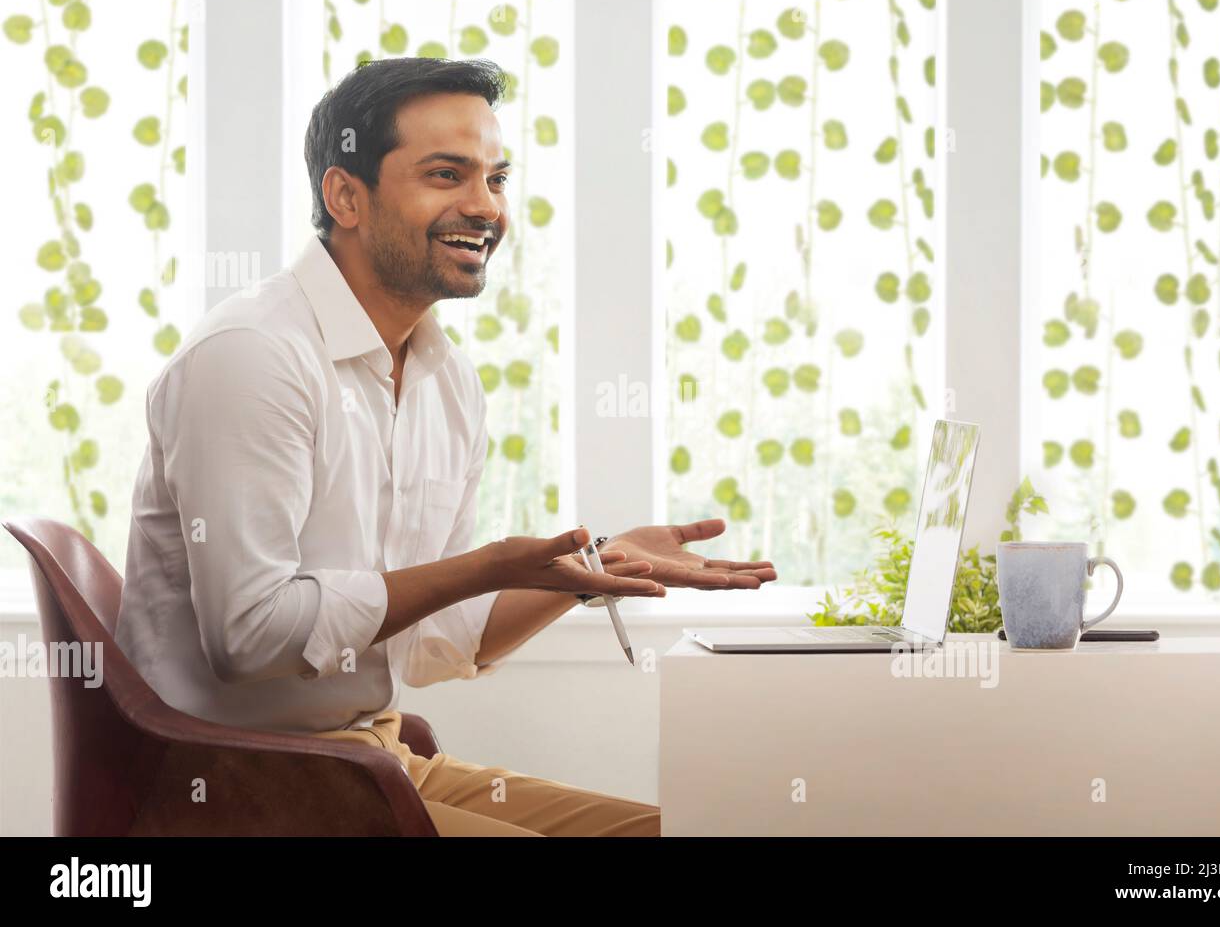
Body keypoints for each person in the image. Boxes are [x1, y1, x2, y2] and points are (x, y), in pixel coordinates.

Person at [116, 56, 778, 837]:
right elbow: (251, 637)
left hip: (371, 759)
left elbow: (429, 641)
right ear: (346, 196)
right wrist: (484, 565)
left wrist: (586, 571)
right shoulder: (253, 357)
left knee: (690, 829)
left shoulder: (445, 381)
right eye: (446, 174)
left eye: (497, 179)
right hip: (232, 786)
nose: (485, 207)